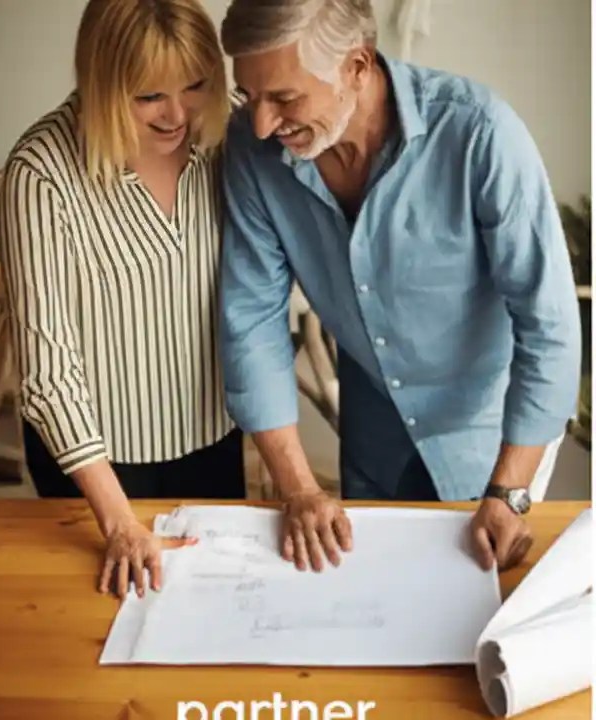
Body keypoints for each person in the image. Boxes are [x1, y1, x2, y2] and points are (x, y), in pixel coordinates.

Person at [218, 0, 581, 573]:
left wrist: (509, 489)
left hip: (490, 436)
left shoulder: (481, 133)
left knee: (479, 615)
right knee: (371, 600)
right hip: (373, 427)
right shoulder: (250, 146)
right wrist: (299, 488)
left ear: (356, 67)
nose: (262, 123)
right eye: (249, 96)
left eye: (284, 98)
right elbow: (251, 322)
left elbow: (550, 325)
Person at [0, 0, 240, 599]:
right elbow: (47, 373)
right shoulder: (41, 173)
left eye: (195, 85)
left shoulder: (226, 134)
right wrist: (119, 521)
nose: (177, 114)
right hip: (97, 471)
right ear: (101, 84)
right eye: (148, 96)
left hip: (213, 438)